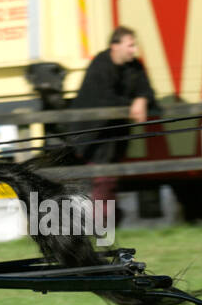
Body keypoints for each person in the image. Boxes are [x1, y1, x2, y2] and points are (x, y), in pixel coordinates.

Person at [67, 26, 158, 205]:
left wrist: (141, 98)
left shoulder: (134, 66)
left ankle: (105, 224)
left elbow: (147, 91)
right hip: (92, 135)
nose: (134, 50)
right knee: (100, 180)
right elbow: (104, 98)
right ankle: (101, 225)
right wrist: (131, 105)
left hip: (115, 136)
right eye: (130, 45)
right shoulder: (100, 65)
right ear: (115, 46)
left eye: (134, 46)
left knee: (107, 180)